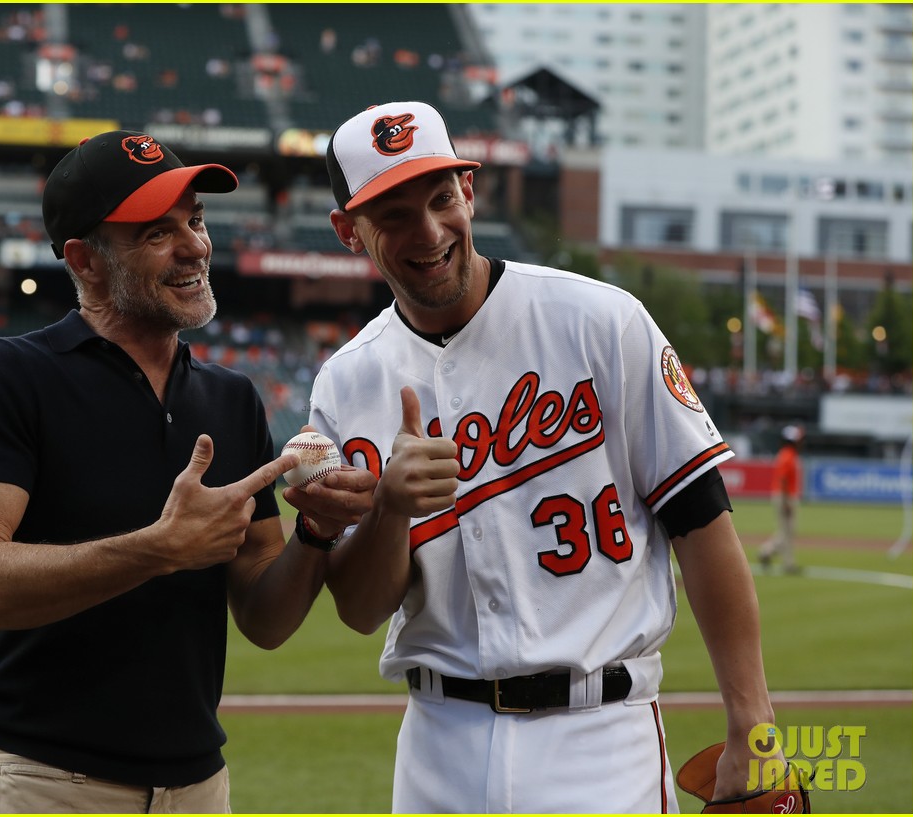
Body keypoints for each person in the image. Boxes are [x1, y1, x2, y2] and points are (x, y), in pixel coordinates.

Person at [310, 101, 786, 813]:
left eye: (442, 198)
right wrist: (391, 508)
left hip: (600, 733)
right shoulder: (349, 381)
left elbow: (702, 520)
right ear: (350, 232)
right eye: (395, 214)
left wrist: (753, 719)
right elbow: (359, 608)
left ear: (469, 191)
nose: (431, 231)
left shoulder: (598, 319)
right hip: (440, 741)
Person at [0, 130, 374, 814]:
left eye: (195, 220)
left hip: (199, 788)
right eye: (156, 232)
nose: (195, 245)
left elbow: (265, 617)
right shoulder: (13, 374)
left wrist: (316, 533)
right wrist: (156, 549)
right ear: (84, 258)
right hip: (52, 787)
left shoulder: (231, 398)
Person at [758, 425, 804, 574]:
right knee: (787, 531)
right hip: (786, 496)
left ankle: (767, 552)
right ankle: (787, 563)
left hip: (785, 495)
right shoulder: (788, 455)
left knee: (787, 531)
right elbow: (783, 479)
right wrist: (785, 502)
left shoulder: (786, 454)